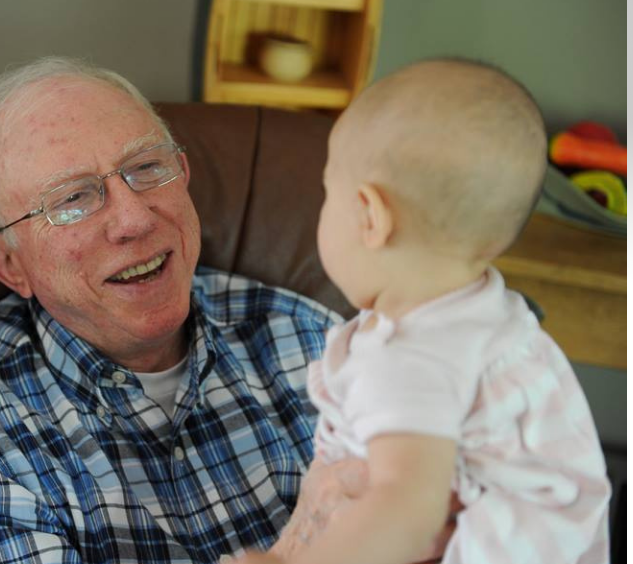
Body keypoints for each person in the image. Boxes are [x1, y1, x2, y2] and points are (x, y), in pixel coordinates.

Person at [0, 56, 403, 564]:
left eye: (146, 167)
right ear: (7, 264)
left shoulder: (307, 336)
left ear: (182, 174)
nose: (133, 219)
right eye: (72, 199)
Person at [237, 59, 612, 564]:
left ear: (370, 216)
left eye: (328, 193)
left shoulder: (409, 354)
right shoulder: (490, 313)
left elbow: (407, 514)